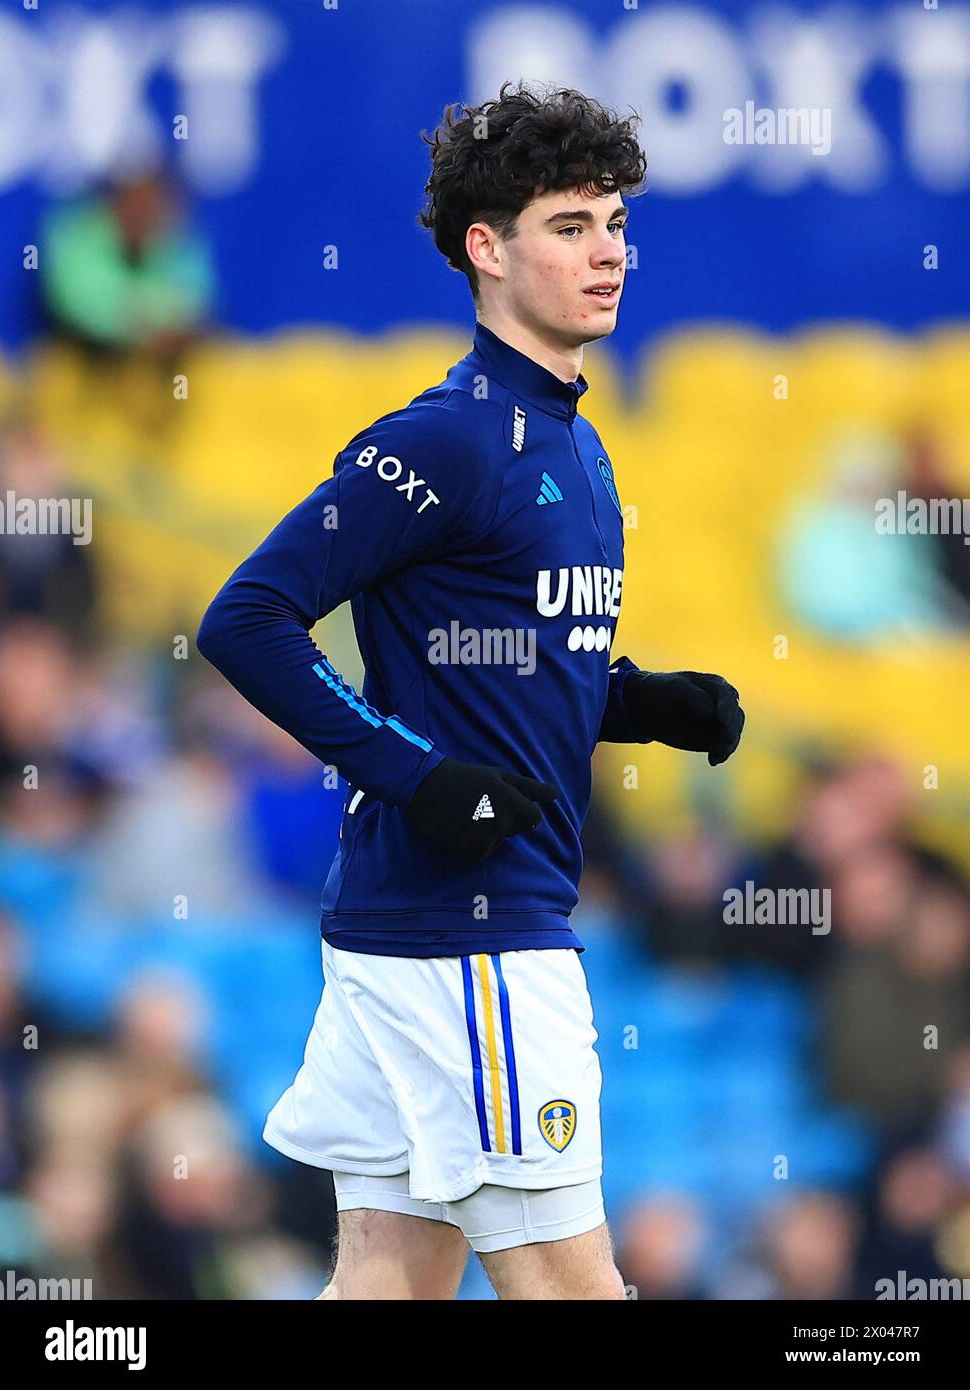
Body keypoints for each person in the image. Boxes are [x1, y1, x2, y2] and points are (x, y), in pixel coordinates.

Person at [196, 82, 744, 1301]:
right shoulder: (445, 438)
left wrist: (641, 698)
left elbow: (499, 661)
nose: (607, 250)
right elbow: (246, 618)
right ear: (485, 250)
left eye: (614, 220)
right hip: (474, 940)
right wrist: (417, 774)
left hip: (423, 932)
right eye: (568, 224)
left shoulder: (574, 438)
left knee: (386, 1281)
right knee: (572, 1286)